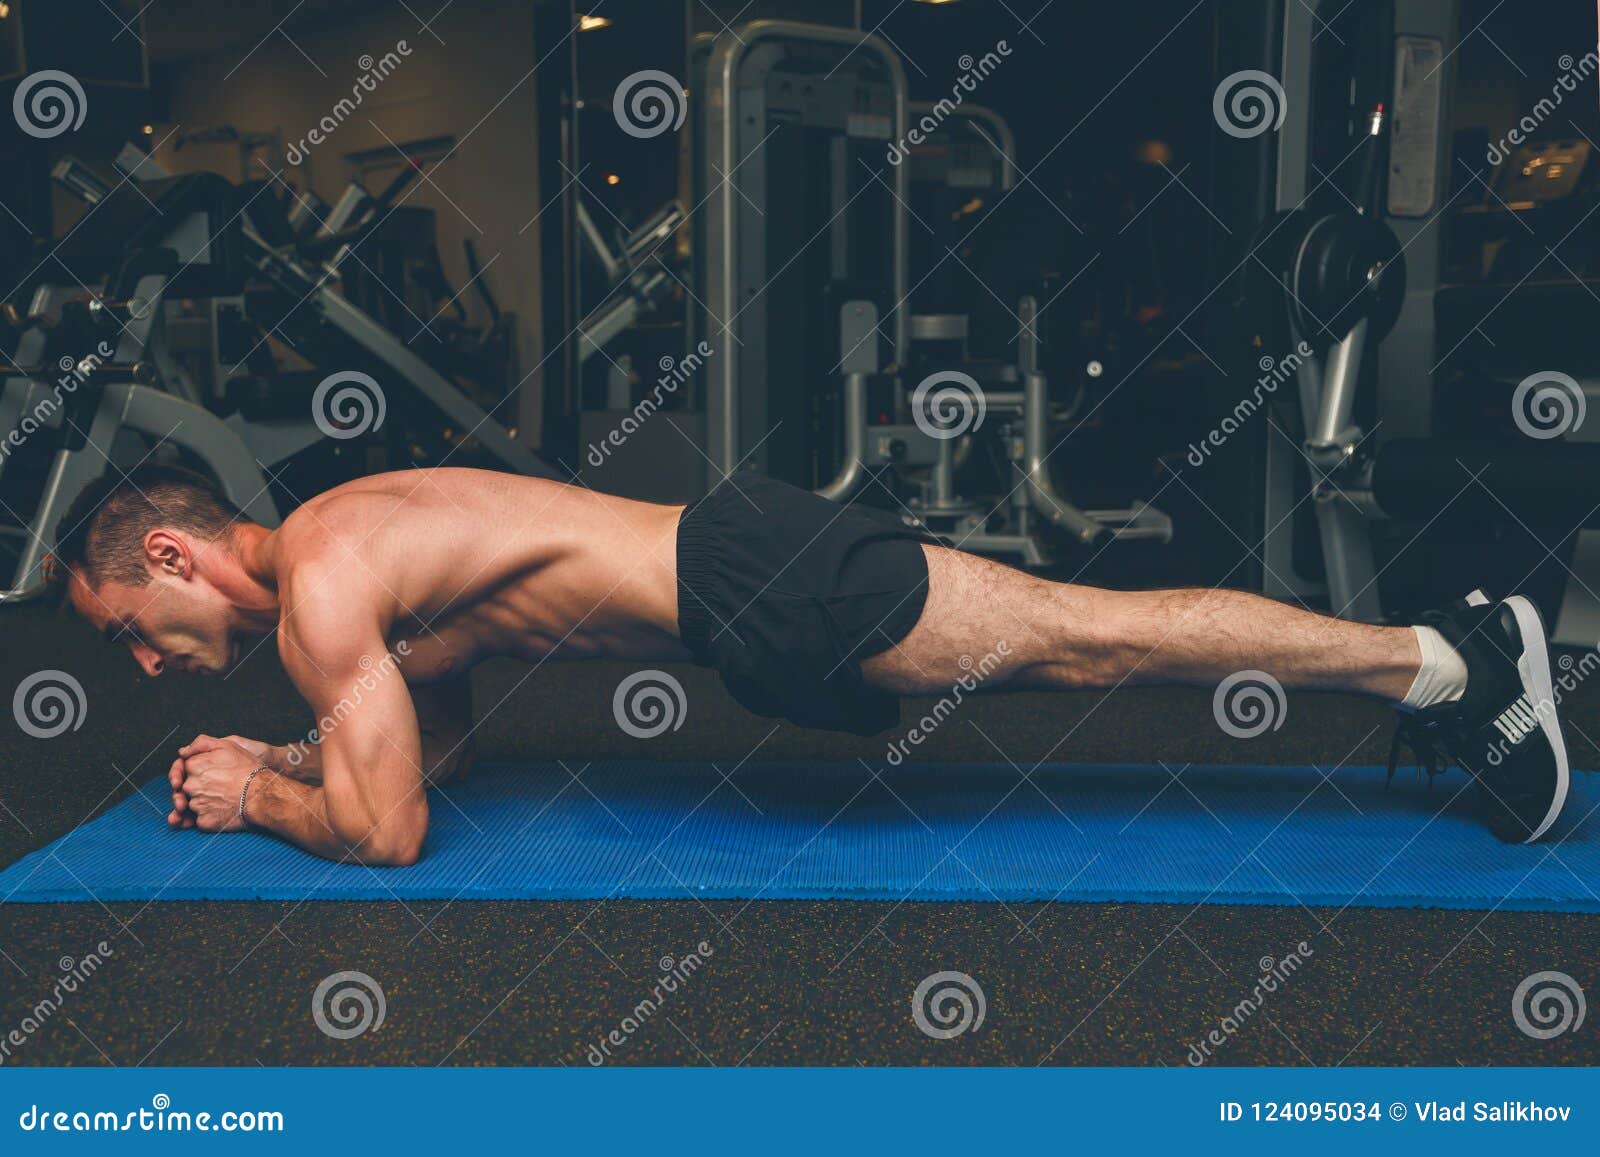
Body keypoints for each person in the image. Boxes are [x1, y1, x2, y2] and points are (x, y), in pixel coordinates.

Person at [50, 464, 1569, 865]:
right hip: (746, 606)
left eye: (127, 628)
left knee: (1087, 634)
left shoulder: (322, 581)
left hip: (752, 581)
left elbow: (390, 833)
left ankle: (1453, 662)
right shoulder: (345, 556)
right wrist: (303, 752)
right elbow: (431, 753)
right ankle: (1440, 667)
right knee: (1078, 652)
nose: (149, 666)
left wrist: (260, 794)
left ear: (173, 556)